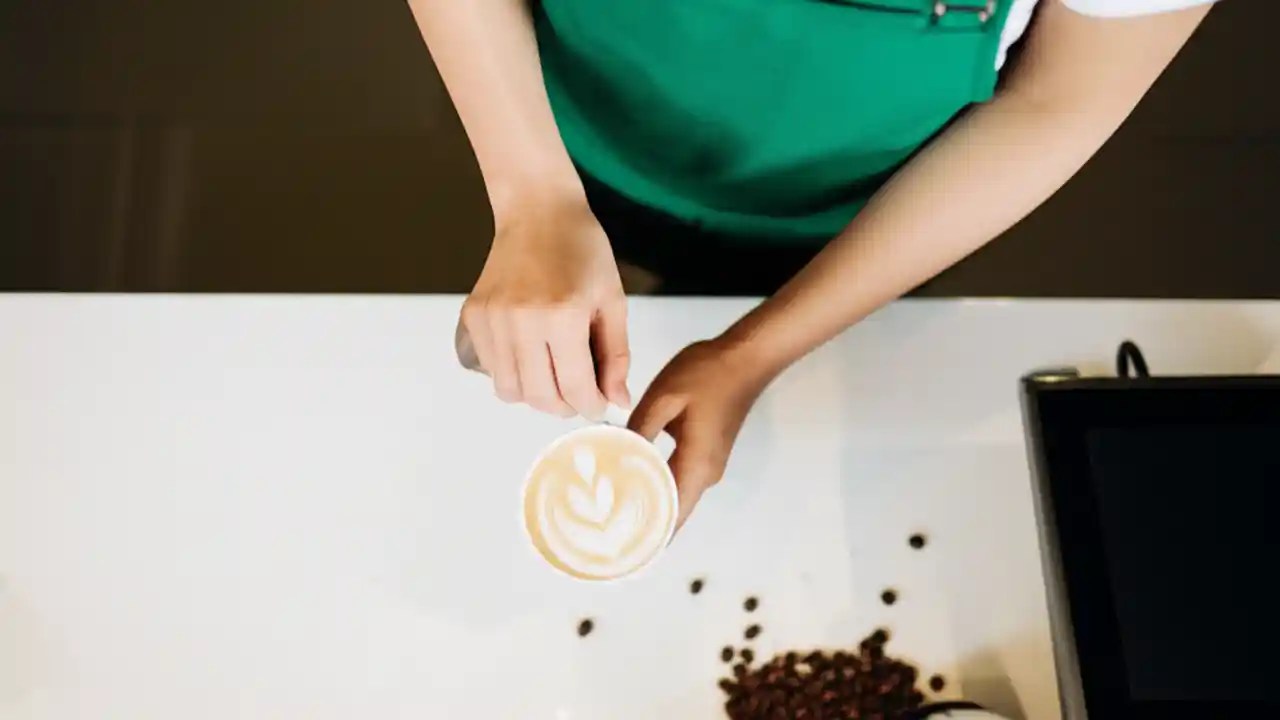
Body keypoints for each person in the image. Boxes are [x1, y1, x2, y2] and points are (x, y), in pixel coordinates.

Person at [410, 0, 1214, 527]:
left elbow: (1059, 99)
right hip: (578, 130)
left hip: (868, 198)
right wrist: (534, 194)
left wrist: (756, 351)